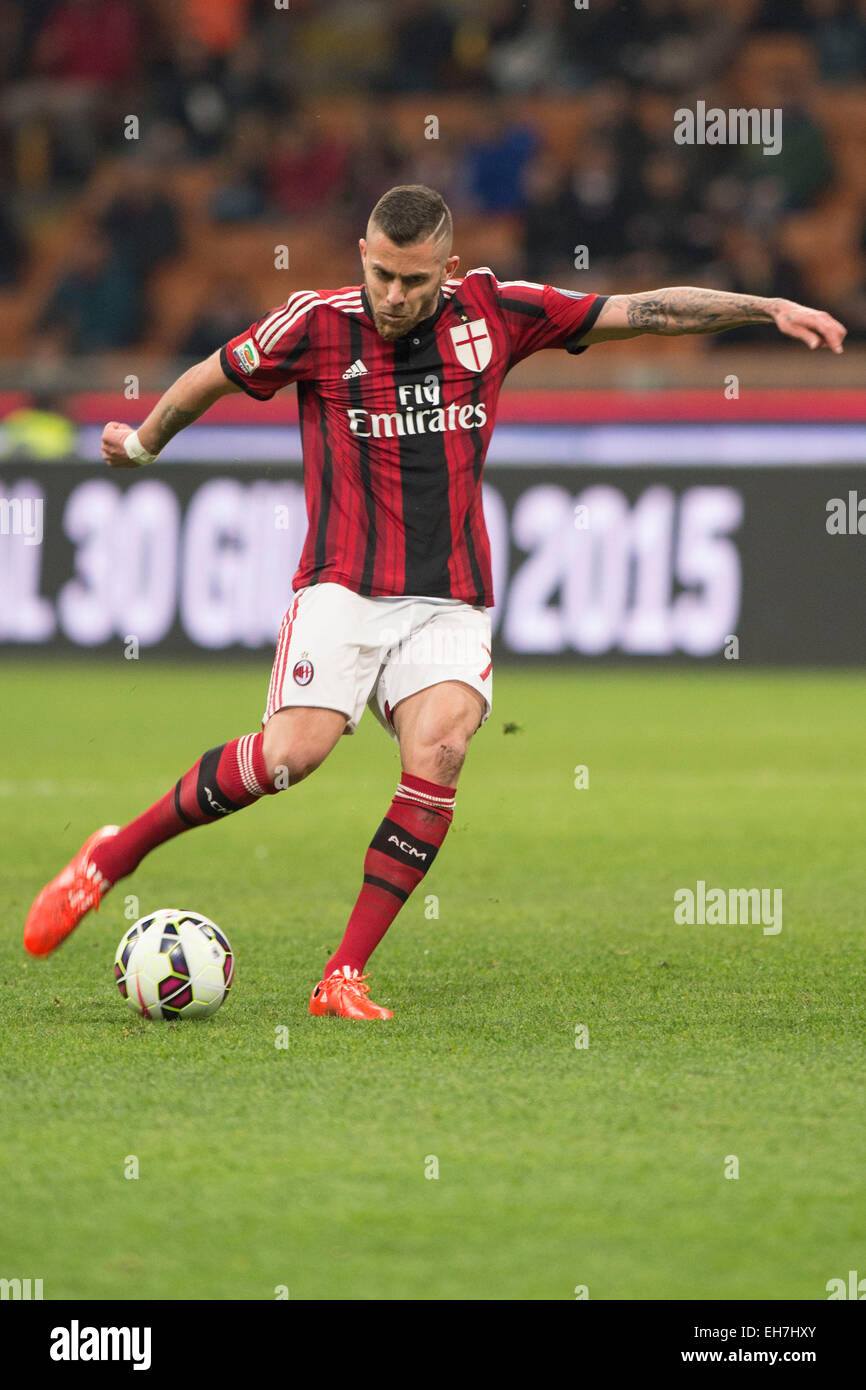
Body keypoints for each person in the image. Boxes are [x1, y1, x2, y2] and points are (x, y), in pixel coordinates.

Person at [23, 184, 847, 1018]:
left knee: (441, 753)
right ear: (363, 258)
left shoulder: (499, 314)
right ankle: (113, 855)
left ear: (447, 271)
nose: (393, 296)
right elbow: (211, 376)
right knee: (291, 757)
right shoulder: (313, 324)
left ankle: (342, 974)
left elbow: (644, 310)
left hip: (451, 597)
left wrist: (764, 304)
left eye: (414, 282)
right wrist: (144, 442)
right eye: (382, 275)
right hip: (342, 584)